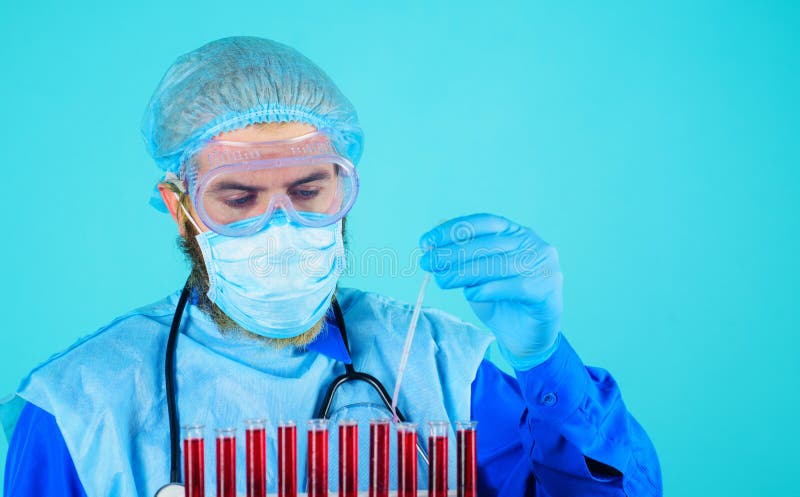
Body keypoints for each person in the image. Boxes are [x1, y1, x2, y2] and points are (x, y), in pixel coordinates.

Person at [1, 36, 662, 497]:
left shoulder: (445, 366)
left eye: (310, 189)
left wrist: (545, 360)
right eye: (238, 196)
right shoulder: (80, 409)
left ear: (345, 189)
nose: (280, 224)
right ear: (180, 209)